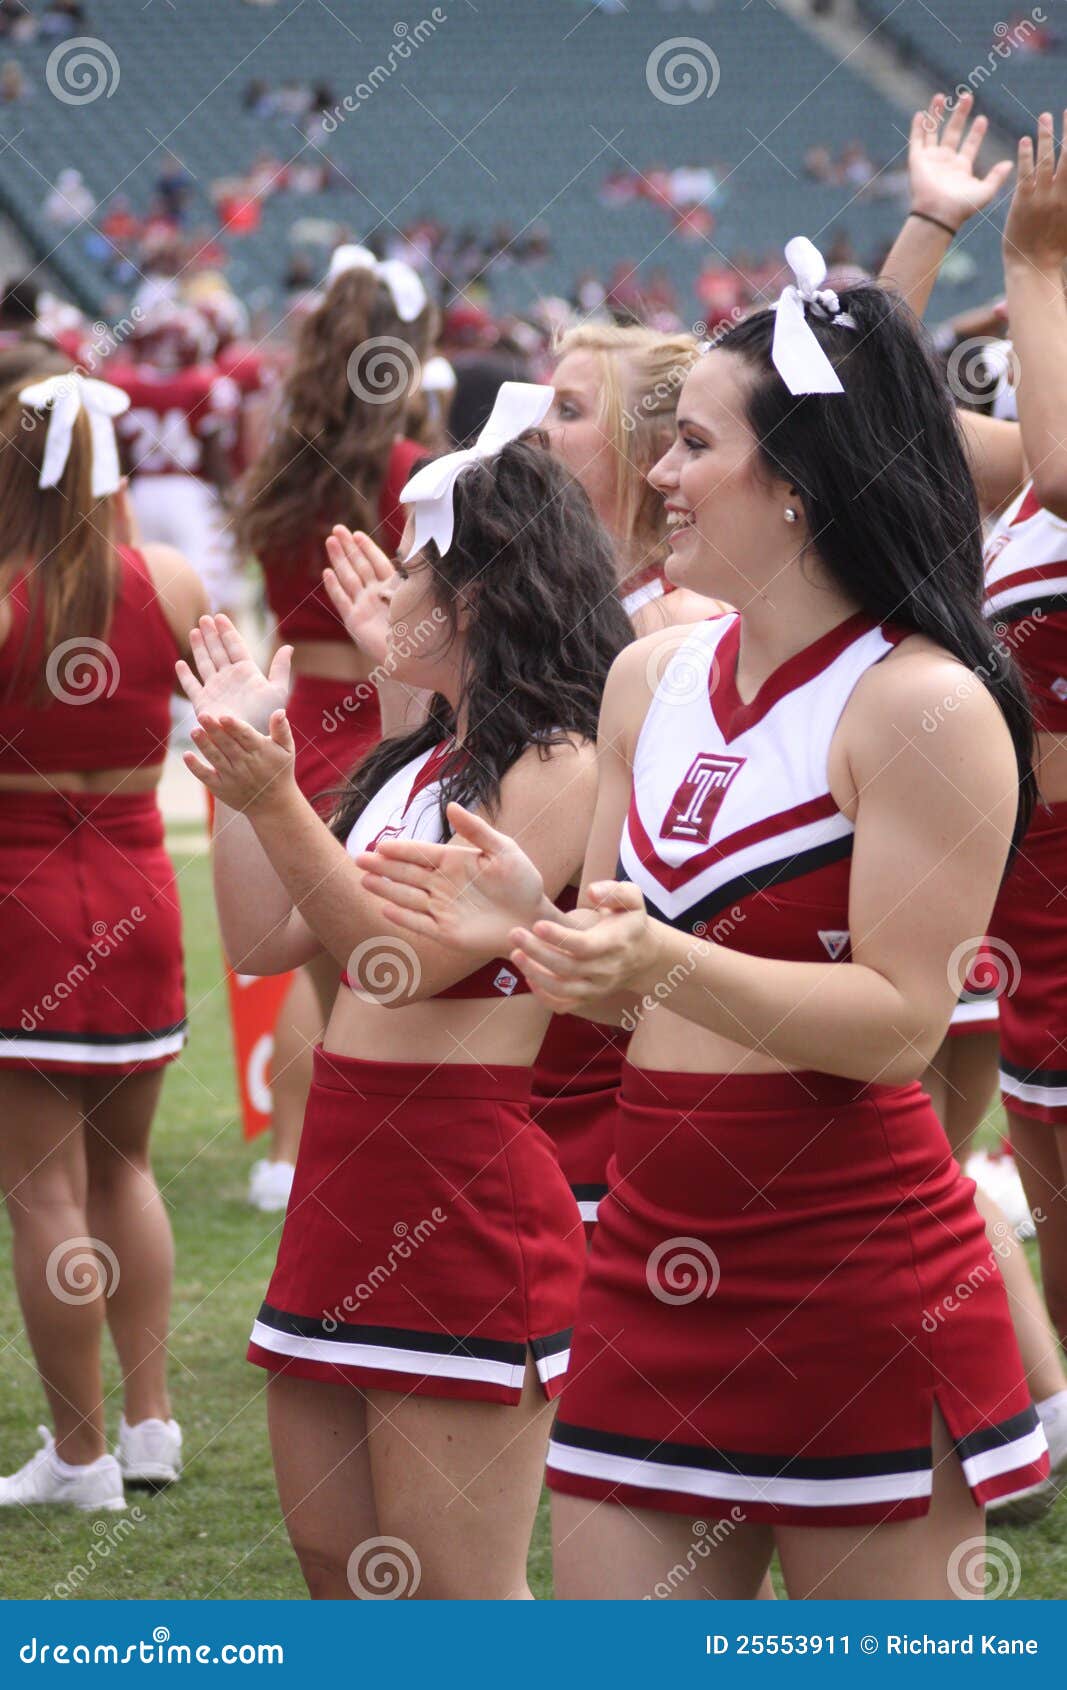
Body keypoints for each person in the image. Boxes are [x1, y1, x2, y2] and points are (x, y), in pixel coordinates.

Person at [358, 241, 1049, 1598]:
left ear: (795, 484)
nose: (655, 474)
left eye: (688, 445)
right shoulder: (648, 676)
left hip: (849, 1268)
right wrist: (531, 928)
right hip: (646, 1258)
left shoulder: (921, 702)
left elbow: (901, 1026)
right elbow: (620, 1001)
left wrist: (658, 953)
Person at [178, 396, 632, 1599]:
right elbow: (263, 935)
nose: (388, 590)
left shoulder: (558, 758)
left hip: (460, 1191)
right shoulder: (416, 757)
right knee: (337, 1563)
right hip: (345, 1171)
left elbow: (396, 960)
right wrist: (242, 763)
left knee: (452, 1588)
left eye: (420, 564)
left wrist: (278, 800)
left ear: (484, 590)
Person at [880, 99, 1067, 1522]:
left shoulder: (1047, 474)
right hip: (1020, 889)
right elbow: (866, 415)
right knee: (1046, 1189)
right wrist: (928, 227)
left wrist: (1033, 259)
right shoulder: (1007, 484)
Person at [0, 367, 206, 1510]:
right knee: (123, 1165)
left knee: (42, 1193)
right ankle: (148, 1424)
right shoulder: (167, 580)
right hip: (135, 897)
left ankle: (79, 1461)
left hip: (20, 905)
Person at [234, 245, 436, 1211]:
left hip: (295, 716)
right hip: (384, 727)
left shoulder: (279, 472)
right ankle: (340, 1168)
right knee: (366, 967)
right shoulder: (415, 472)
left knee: (314, 966)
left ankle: (284, 1158)